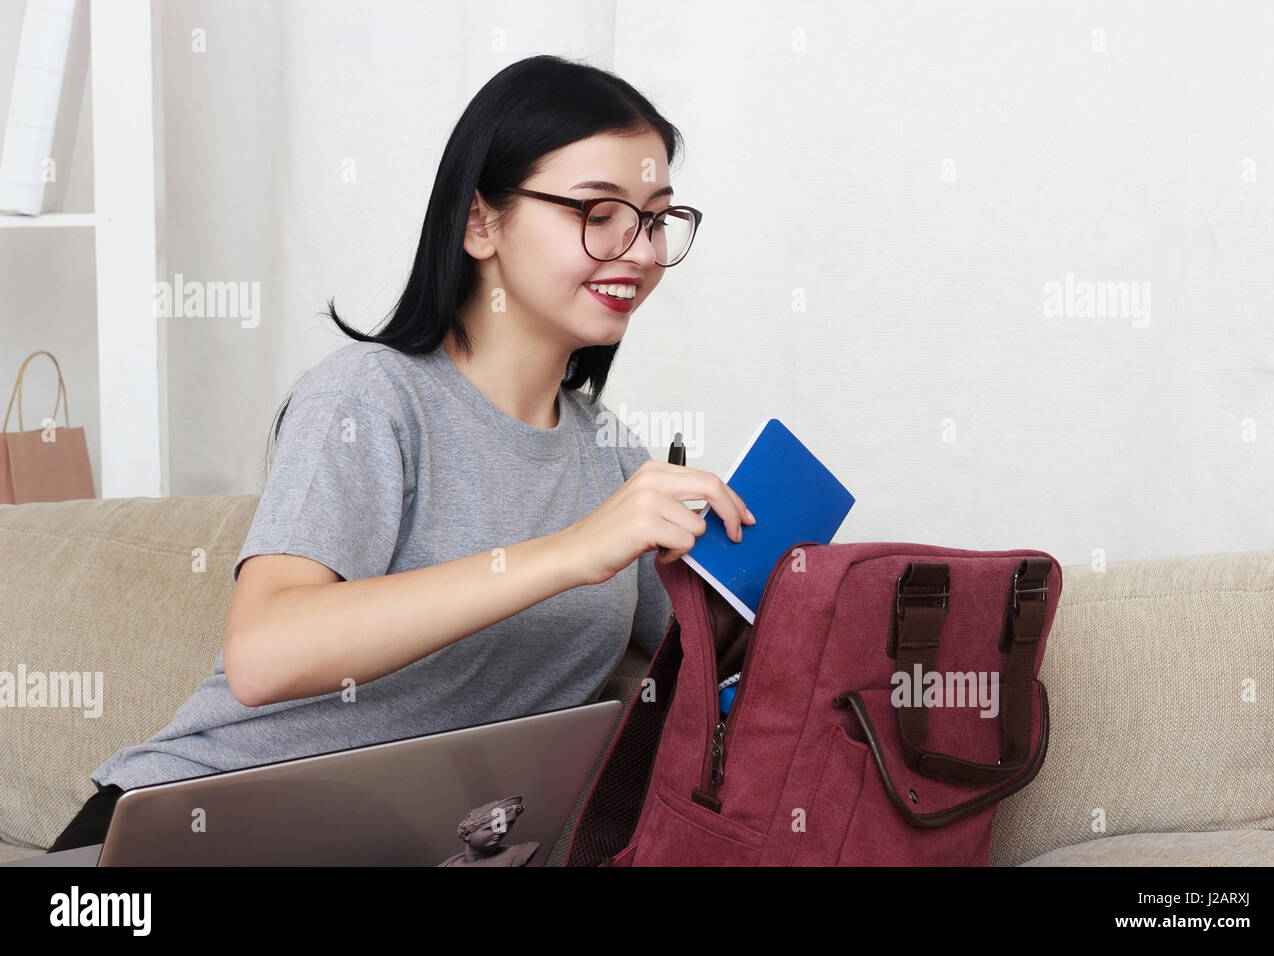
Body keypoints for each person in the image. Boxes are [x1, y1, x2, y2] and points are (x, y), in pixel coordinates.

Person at [46, 54, 753, 854]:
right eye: (597, 212)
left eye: (656, 219)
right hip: (191, 833)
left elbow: (715, 662)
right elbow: (263, 651)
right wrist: (569, 553)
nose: (640, 250)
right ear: (480, 222)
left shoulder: (613, 460)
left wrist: (763, 582)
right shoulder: (369, 399)